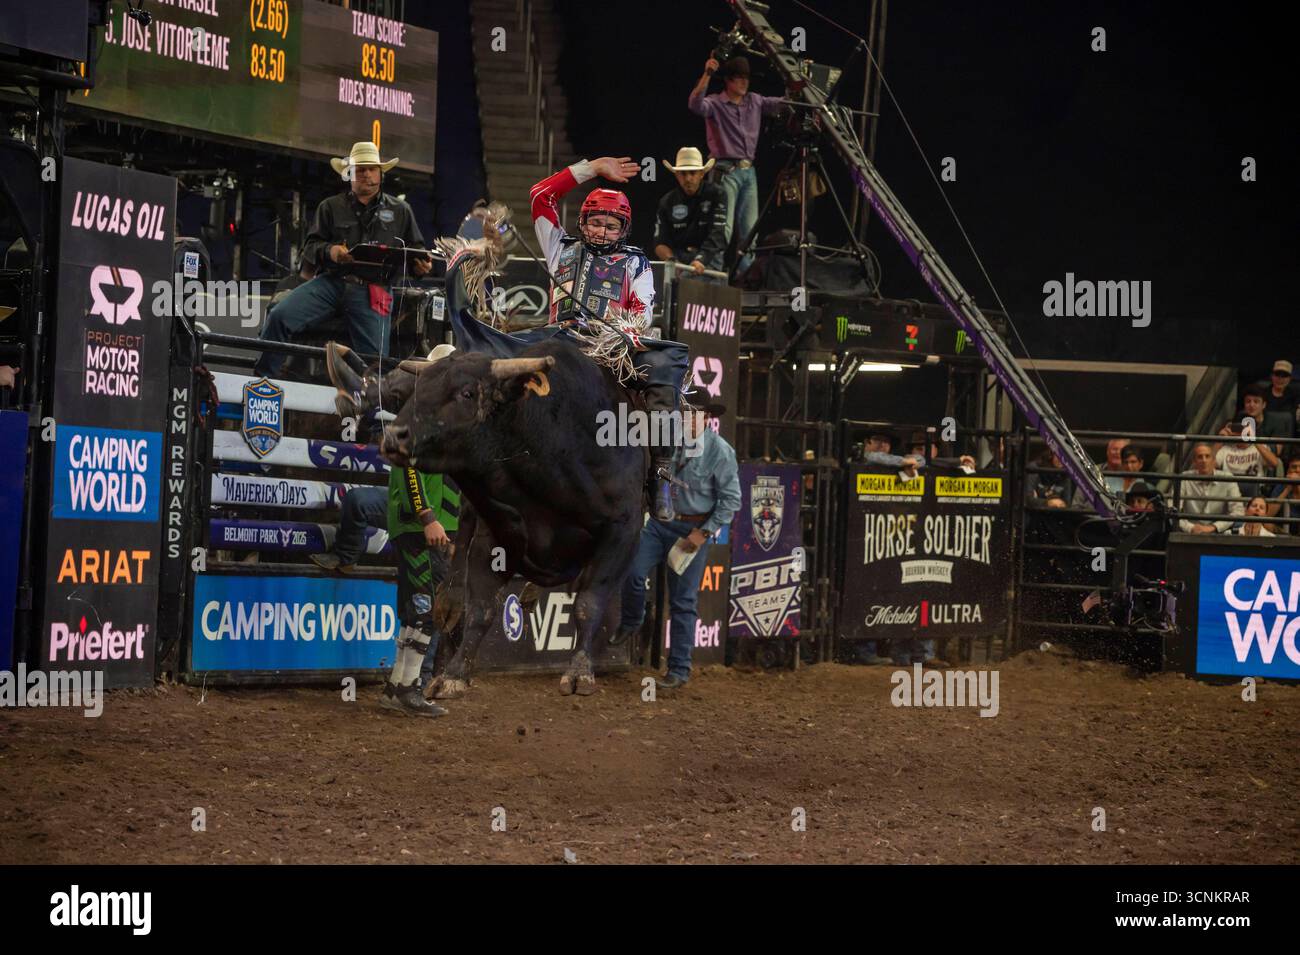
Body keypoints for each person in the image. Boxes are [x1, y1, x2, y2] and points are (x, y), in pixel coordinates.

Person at [254, 142, 431, 378]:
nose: (366, 174)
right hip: (332, 282)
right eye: (360, 169)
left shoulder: (402, 211)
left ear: (381, 173)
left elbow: (416, 250)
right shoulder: (331, 207)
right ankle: (261, 382)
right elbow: (310, 248)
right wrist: (331, 252)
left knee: (375, 366)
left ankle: (372, 410)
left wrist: (421, 267)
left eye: (371, 169)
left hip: (373, 291)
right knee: (279, 316)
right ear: (349, 174)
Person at [613, 403, 741, 689]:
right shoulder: (669, 440)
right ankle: (633, 619)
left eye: (692, 414)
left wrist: (705, 532)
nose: (686, 419)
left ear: (706, 418)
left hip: (691, 529)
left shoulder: (720, 451)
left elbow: (731, 499)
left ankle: (679, 670)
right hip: (661, 523)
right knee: (633, 572)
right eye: (683, 413)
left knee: (683, 601)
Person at [688, 55, 787, 274]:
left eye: (746, 78)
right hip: (726, 171)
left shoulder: (754, 100)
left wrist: (798, 87)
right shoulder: (715, 103)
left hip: (748, 171)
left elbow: (783, 104)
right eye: (739, 78)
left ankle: (745, 280)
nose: (744, 82)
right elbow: (695, 104)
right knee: (723, 227)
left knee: (749, 232)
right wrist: (707, 74)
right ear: (728, 81)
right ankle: (713, 276)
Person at [653, 147, 728, 275]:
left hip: (709, 258)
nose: (688, 179)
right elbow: (660, 242)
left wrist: (701, 260)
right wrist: (673, 262)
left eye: (692, 173)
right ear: (677, 175)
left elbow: (718, 233)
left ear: (701, 174)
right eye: (683, 174)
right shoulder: (666, 201)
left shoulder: (717, 193)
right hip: (679, 260)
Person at [1177, 443, 1244, 534]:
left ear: (1214, 460)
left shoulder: (1228, 478)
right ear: (1194, 462)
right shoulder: (1184, 478)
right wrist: (1190, 528)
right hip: (1190, 531)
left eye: (1207, 456)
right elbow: (1172, 509)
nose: (1204, 460)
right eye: (1200, 457)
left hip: (1219, 532)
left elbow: (1238, 511)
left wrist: (1214, 527)